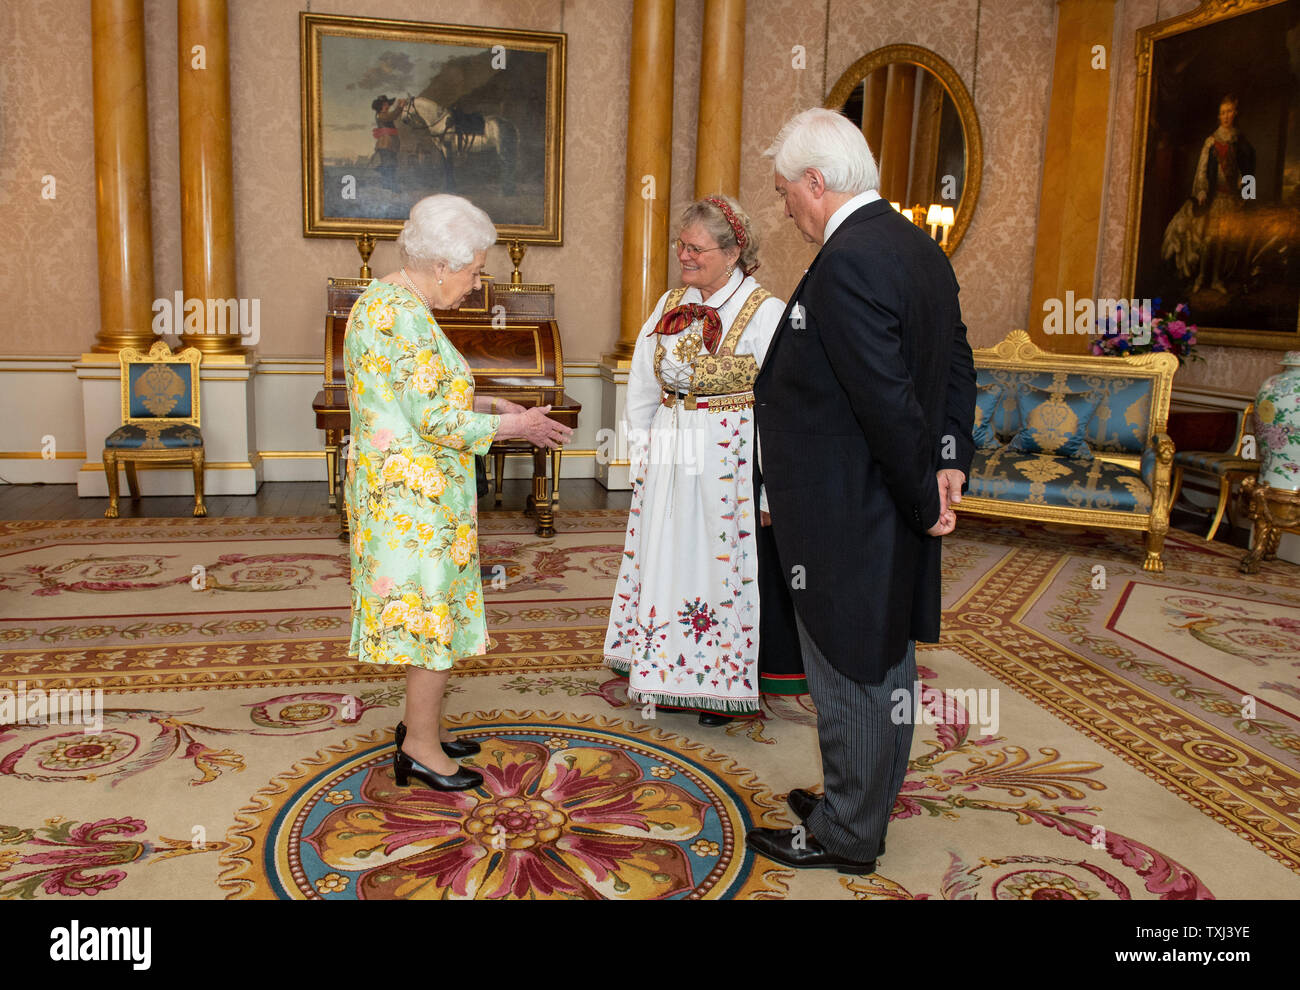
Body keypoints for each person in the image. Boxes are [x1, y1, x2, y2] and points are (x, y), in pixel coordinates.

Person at [746, 108, 975, 873]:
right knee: (882, 663)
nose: (783, 208)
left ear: (817, 182)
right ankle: (856, 800)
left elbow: (885, 402)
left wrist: (924, 494)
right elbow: (956, 366)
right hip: (890, 496)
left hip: (852, 505)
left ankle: (847, 834)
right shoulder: (916, 246)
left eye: (786, 192)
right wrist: (951, 459)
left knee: (849, 667)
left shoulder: (848, 260)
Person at [344, 194, 572, 791]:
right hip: (410, 503)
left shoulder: (394, 302)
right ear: (444, 263)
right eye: (474, 270)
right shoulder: (400, 315)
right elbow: (435, 421)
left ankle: (421, 726)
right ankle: (420, 748)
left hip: (413, 496)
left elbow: (422, 397)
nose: (476, 284)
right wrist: (515, 426)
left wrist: (493, 403)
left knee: (431, 612)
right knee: (428, 618)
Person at [603, 196, 793, 726]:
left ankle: (720, 686)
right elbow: (643, 382)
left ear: (733, 253)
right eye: (680, 246)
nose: (683, 256)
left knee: (717, 569)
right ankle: (662, 672)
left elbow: (783, 408)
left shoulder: (766, 311)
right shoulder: (669, 304)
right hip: (670, 451)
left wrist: (768, 491)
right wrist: (639, 456)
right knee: (665, 557)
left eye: (695, 248)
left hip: (727, 463)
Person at [1162, 93, 1256, 296]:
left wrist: (1246, 192)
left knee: (1223, 241)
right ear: (1218, 116)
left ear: (1235, 113)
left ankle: (1216, 279)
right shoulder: (1211, 142)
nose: (1226, 115)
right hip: (1213, 199)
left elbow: (1247, 169)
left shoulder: (1241, 142)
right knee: (1208, 239)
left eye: (1229, 111)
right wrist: (1202, 190)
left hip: (1231, 200)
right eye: (1222, 112)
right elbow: (1202, 170)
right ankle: (1200, 277)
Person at [371, 95, 407, 192]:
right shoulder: (382, 115)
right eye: (385, 104)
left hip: (389, 144)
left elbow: (392, 116)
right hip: (386, 144)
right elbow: (392, 116)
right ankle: (390, 186)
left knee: (390, 165)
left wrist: (399, 105)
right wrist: (400, 106)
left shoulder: (383, 114)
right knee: (389, 165)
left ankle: (387, 185)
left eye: (387, 104)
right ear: (381, 106)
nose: (387, 106)